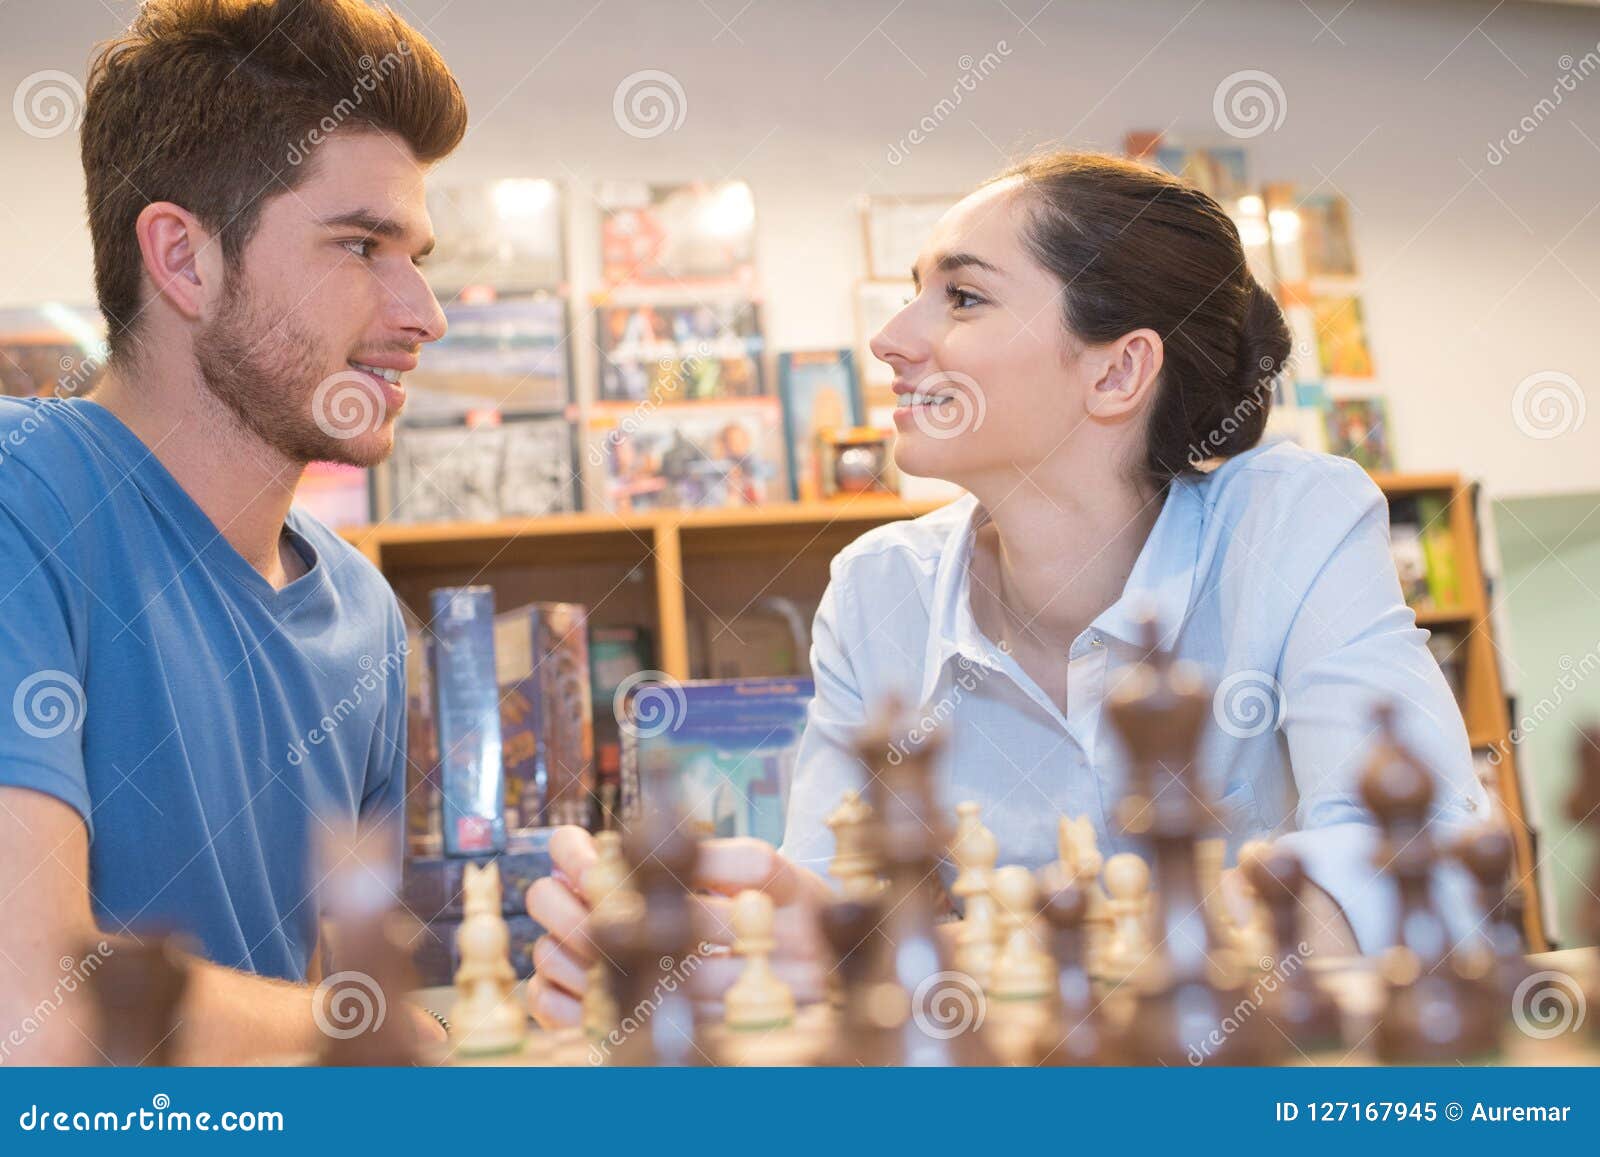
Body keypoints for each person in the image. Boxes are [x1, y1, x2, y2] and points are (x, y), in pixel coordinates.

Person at [525, 150, 1491, 1031]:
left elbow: (1431, 866)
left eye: (962, 297)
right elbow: (828, 916)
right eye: (913, 293)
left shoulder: (1294, 523)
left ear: (1117, 369)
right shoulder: (876, 591)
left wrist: (967, 954)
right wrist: (706, 950)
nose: (891, 340)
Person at [0, 0, 466, 1062]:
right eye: (362, 245)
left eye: (417, 256)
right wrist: (406, 1036)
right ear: (184, 258)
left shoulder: (364, 614)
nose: (424, 315)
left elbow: (338, 1009)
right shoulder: (21, 499)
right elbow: (31, 1014)